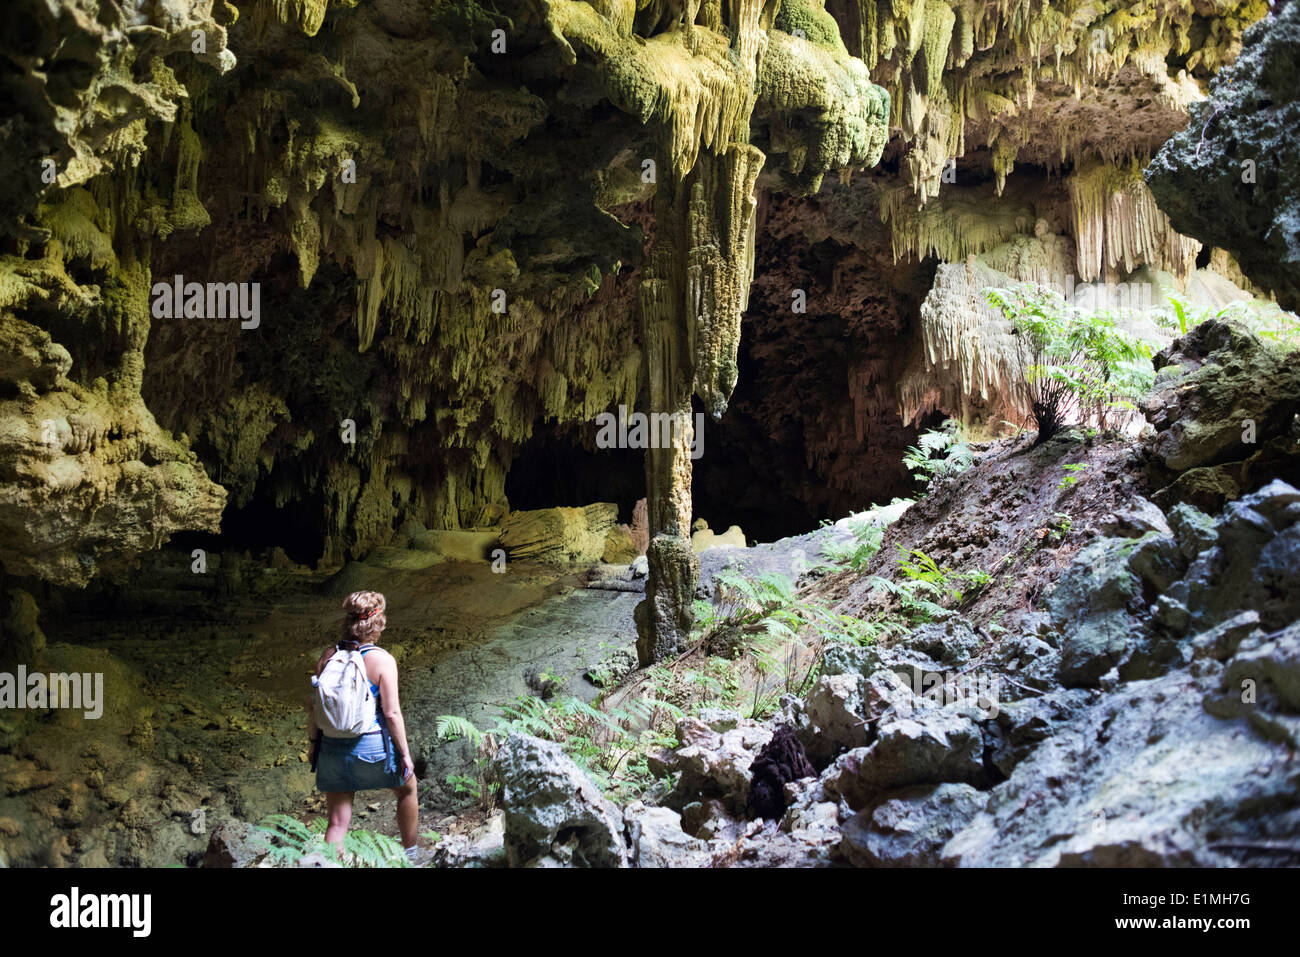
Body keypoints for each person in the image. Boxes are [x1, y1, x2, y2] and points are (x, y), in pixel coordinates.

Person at [308, 590, 419, 861]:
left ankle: (329, 865)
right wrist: (404, 754)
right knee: (407, 788)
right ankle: (411, 856)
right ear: (378, 624)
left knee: (336, 823)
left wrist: (313, 746)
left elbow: (313, 707)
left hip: (332, 750)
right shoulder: (382, 660)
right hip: (372, 750)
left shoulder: (327, 657)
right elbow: (391, 713)